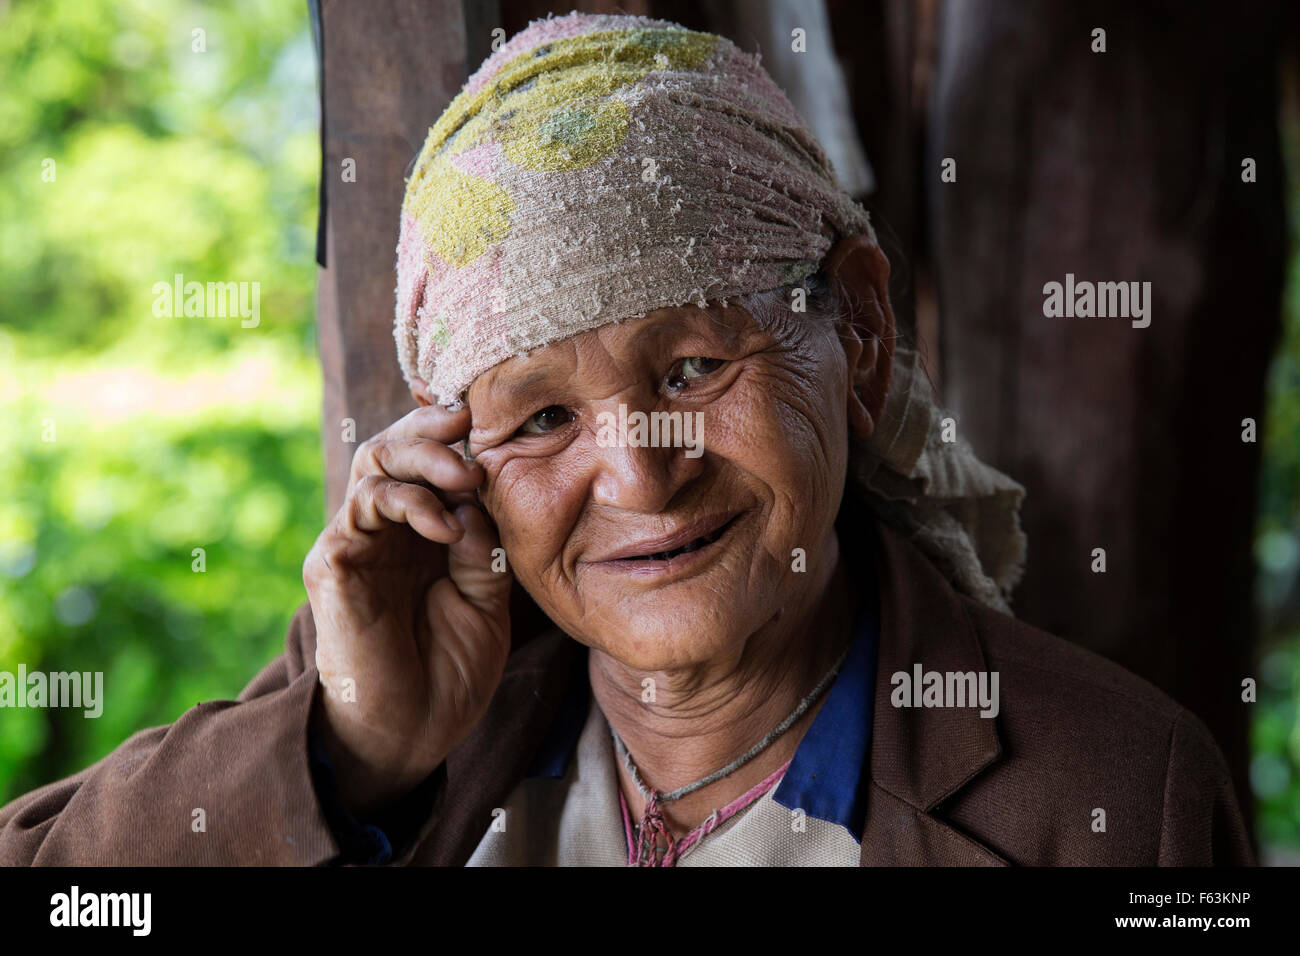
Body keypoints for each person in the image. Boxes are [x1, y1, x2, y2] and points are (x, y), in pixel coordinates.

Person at [0, 12, 1252, 866]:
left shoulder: (1117, 795)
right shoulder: (395, 714)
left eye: (695, 366)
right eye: (541, 416)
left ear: (858, 331)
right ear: (458, 458)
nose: (641, 471)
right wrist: (351, 754)